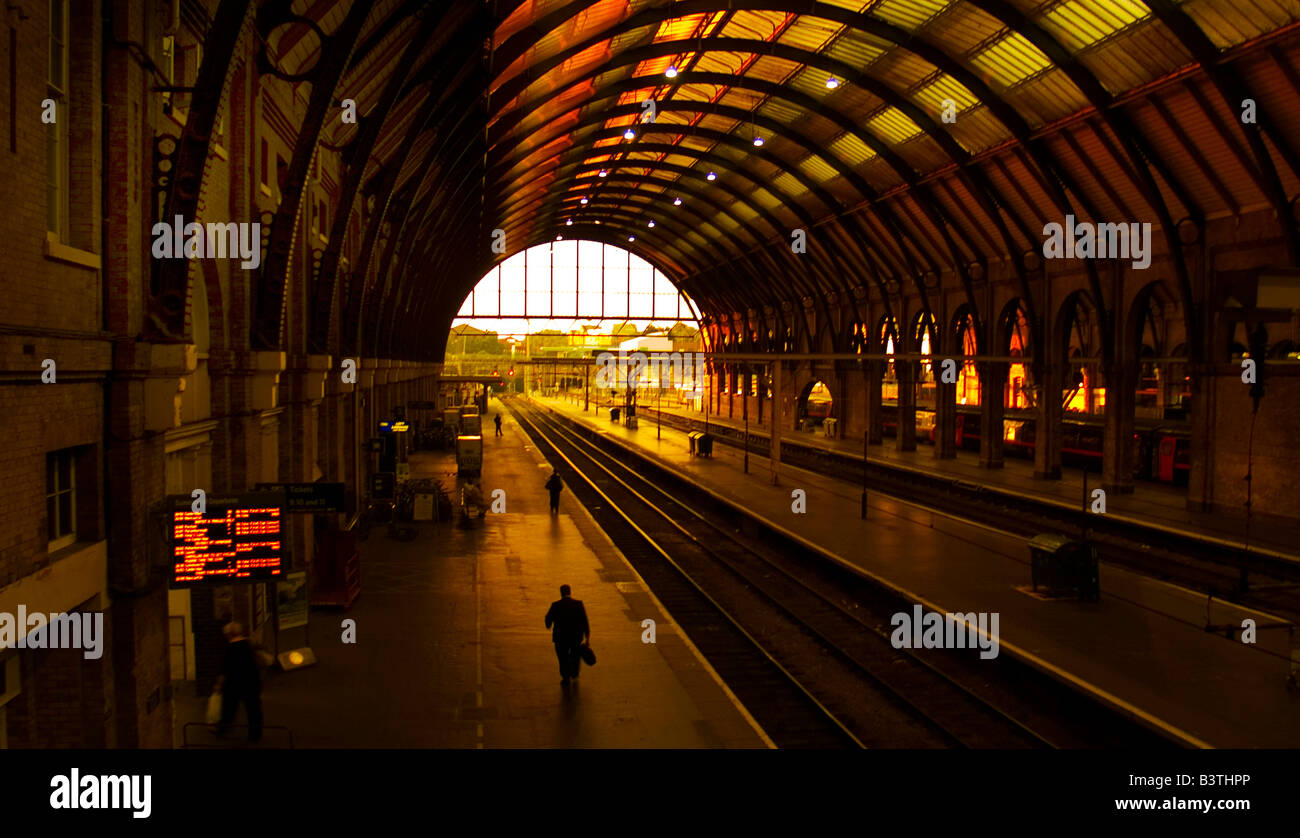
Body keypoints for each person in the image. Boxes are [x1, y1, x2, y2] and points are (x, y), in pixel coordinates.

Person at [215, 622, 262, 741]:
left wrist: (219, 684)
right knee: (253, 710)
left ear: (230, 634)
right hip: (251, 683)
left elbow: (225, 669)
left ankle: (223, 730)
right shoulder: (248, 643)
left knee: (228, 708)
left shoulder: (230, 648)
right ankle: (255, 735)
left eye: (226, 634)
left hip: (233, 684)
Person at [544, 585, 589, 685]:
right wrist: (587, 636)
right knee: (575, 655)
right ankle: (574, 673)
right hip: (575, 637)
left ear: (561, 593)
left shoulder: (555, 605)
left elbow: (548, 619)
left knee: (562, 657)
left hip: (560, 638)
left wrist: (548, 625)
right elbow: (584, 621)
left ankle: (565, 676)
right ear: (570, 592)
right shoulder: (578, 604)